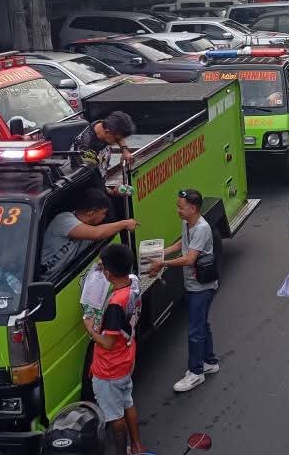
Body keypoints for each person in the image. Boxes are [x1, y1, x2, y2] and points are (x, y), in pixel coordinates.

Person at [149, 189, 220, 393]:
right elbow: (183, 242)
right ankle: (209, 362)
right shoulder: (188, 223)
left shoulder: (202, 228)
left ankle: (196, 373)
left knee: (195, 331)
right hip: (192, 284)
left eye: (181, 207)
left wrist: (162, 263)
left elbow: (189, 259)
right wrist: (165, 251)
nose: (178, 210)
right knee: (202, 325)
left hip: (202, 287)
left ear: (193, 208)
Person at [85, 243, 146, 455]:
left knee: (115, 417)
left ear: (108, 274)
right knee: (127, 401)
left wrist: (90, 331)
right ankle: (137, 446)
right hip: (127, 359)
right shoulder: (134, 282)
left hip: (110, 369)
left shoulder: (114, 306)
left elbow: (108, 343)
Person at [40, 188, 138, 279]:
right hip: (43, 278)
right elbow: (97, 233)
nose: (105, 217)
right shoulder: (64, 220)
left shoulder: (88, 228)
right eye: (103, 213)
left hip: (61, 277)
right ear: (91, 213)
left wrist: (115, 195)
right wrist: (125, 223)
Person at [71, 111, 136, 178]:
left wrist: (124, 150)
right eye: (116, 140)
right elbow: (92, 178)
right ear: (107, 132)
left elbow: (119, 136)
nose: (117, 142)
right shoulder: (86, 148)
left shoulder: (102, 124)